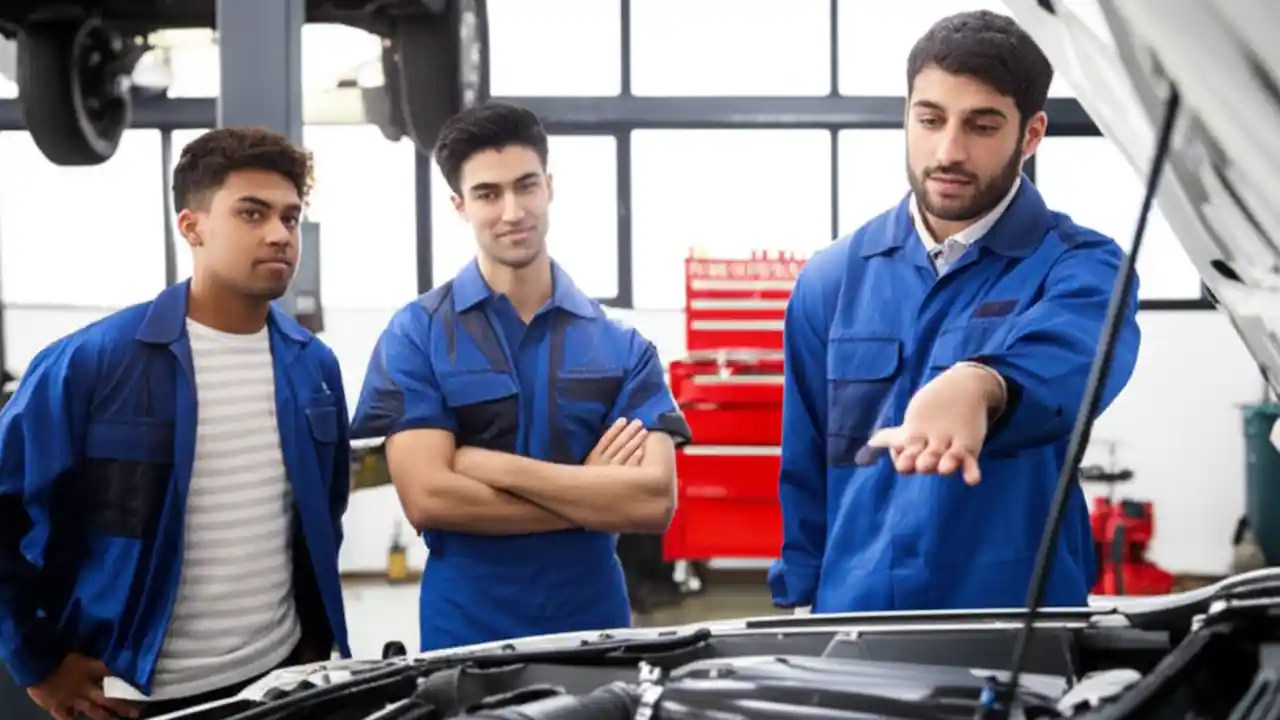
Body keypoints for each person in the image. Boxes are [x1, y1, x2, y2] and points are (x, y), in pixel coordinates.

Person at [768, 10, 1141, 614]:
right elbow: (806, 465)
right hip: (856, 617)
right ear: (906, 115)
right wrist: (799, 602)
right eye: (930, 119)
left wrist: (983, 383)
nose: (949, 151)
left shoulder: (1082, 268)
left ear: (1032, 133)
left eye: (982, 125)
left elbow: (1074, 361)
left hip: (1020, 619)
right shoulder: (832, 278)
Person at [0, 127, 352, 719]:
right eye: (251, 212)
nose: (278, 234)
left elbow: (322, 516)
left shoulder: (313, 367)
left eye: (290, 218)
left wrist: (312, 648)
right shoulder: (91, 363)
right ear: (192, 226)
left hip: (279, 682)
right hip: (135, 696)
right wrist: (37, 664)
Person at [351, 101, 691, 652]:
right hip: (467, 633)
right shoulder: (416, 335)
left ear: (549, 187)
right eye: (488, 194)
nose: (512, 210)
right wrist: (588, 497)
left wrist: (488, 464)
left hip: (595, 631)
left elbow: (653, 503)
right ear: (460, 206)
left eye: (526, 186)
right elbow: (429, 499)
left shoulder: (623, 347)